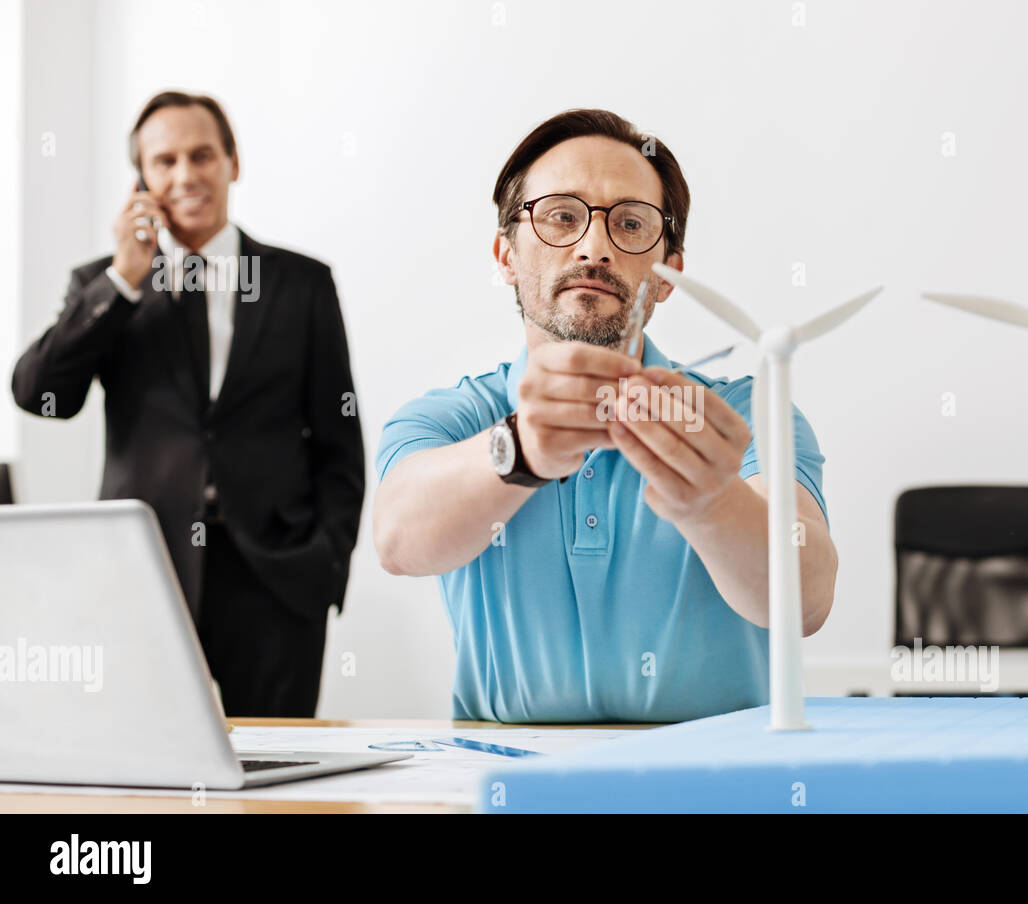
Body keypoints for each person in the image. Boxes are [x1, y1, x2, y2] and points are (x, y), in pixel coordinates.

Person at [374, 108, 838, 723]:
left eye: (630, 224)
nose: (595, 247)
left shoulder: (747, 413)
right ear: (506, 254)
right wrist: (522, 449)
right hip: (505, 785)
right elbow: (396, 541)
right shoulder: (449, 418)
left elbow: (805, 602)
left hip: (715, 779)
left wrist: (711, 501)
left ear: (670, 273)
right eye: (562, 216)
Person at [11, 90, 364, 717]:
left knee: (275, 788)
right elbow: (40, 395)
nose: (185, 175)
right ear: (140, 179)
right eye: (164, 161)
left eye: (201, 155)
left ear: (233, 161)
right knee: (144, 787)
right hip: (144, 577)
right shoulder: (108, 283)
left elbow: (340, 438)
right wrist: (123, 277)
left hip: (275, 582)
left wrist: (326, 565)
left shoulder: (301, 283)